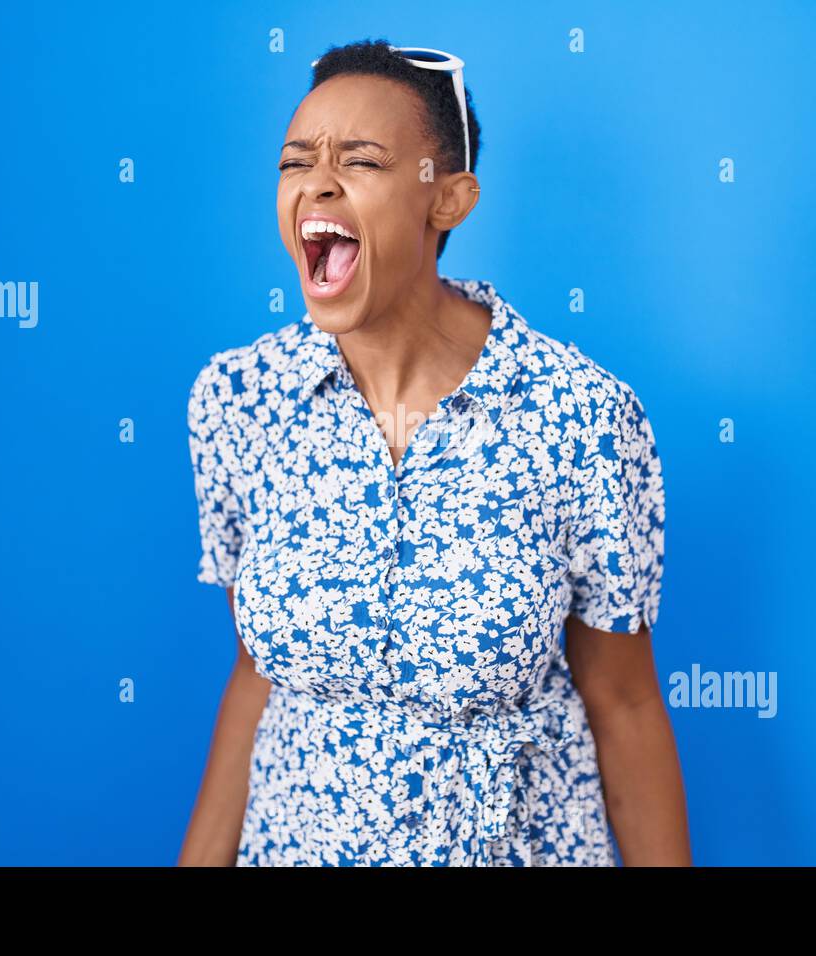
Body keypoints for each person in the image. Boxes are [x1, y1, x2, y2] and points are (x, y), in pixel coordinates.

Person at [178, 38, 689, 866]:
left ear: (447, 199)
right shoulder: (239, 401)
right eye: (296, 161)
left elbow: (625, 702)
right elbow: (256, 678)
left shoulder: (580, 416)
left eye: (364, 161)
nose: (319, 182)